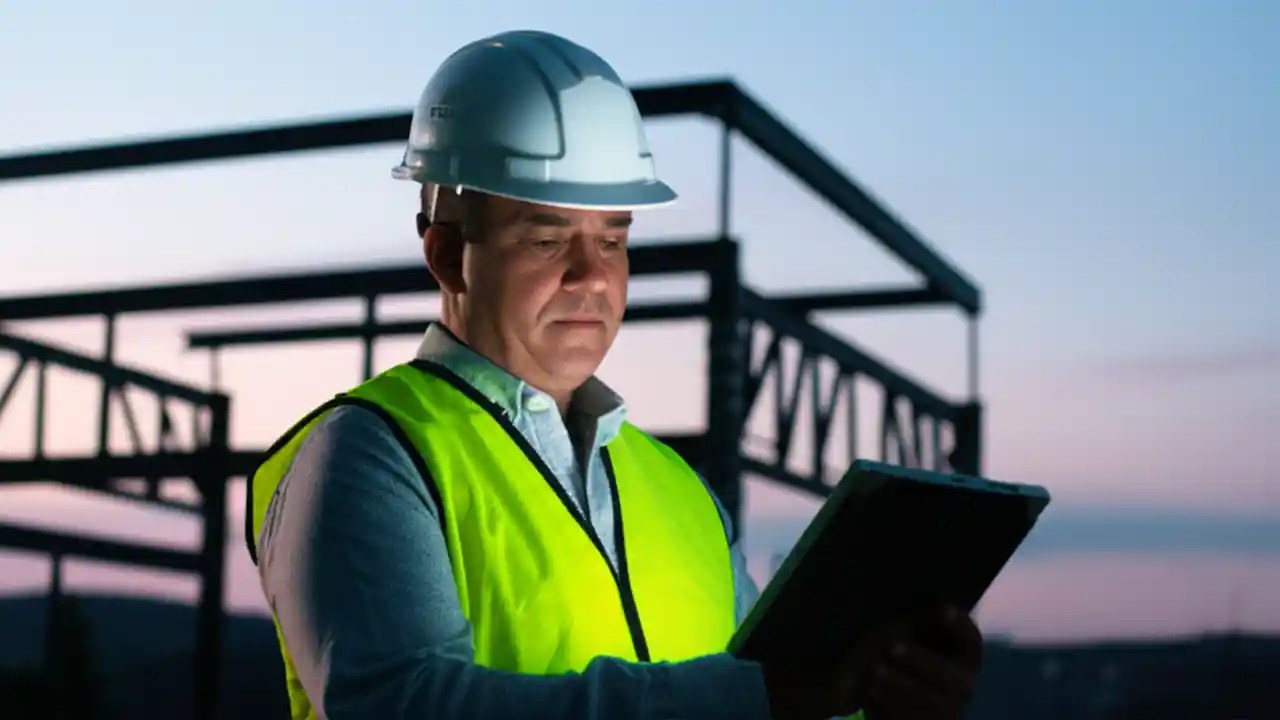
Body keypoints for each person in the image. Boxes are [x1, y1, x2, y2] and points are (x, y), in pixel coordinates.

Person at [245, 29, 984, 720]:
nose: (591, 277)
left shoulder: (682, 494)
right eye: (546, 239)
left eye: (613, 239)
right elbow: (409, 705)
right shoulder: (367, 457)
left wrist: (880, 698)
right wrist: (756, 695)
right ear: (446, 255)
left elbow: (772, 700)